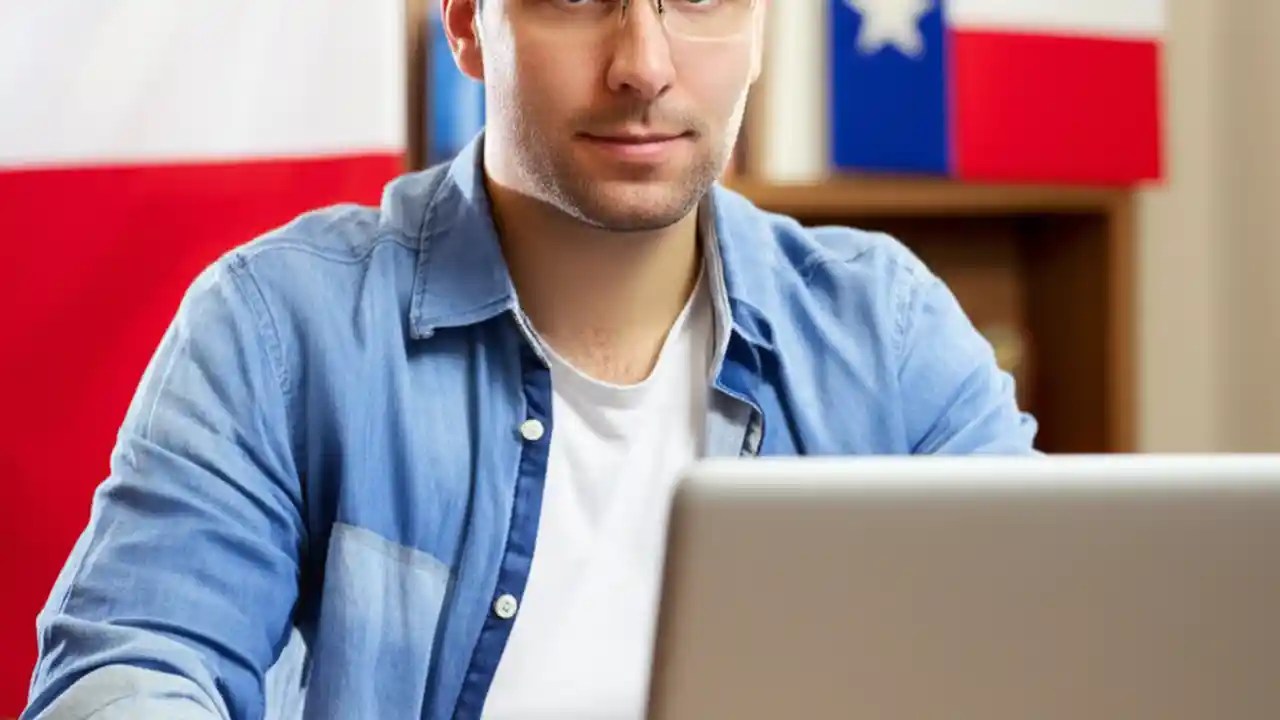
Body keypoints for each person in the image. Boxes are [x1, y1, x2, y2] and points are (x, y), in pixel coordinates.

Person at [23, 0, 1037, 718]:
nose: (642, 64)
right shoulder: (280, 327)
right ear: (468, 21)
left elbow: (1047, 653)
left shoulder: (887, 332)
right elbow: (130, 670)